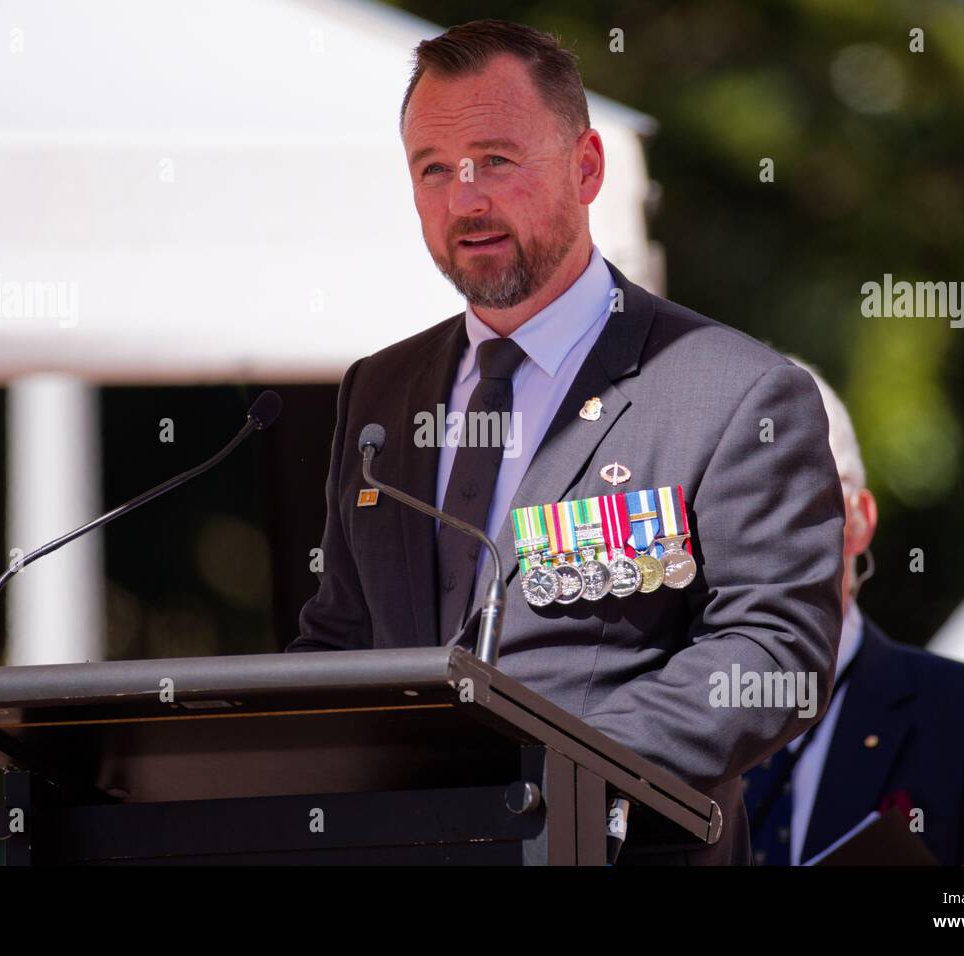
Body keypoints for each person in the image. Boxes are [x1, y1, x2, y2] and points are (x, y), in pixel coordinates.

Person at [287, 19, 845, 865]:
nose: (464, 200)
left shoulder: (732, 392)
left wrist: (562, 764)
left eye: (496, 161)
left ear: (586, 168)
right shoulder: (380, 392)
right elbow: (343, 637)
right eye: (433, 170)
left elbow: (776, 652)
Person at [742, 360, 964, 865]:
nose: (767, 530)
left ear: (858, 520)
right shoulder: (675, 721)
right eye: (737, 503)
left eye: (798, 494)